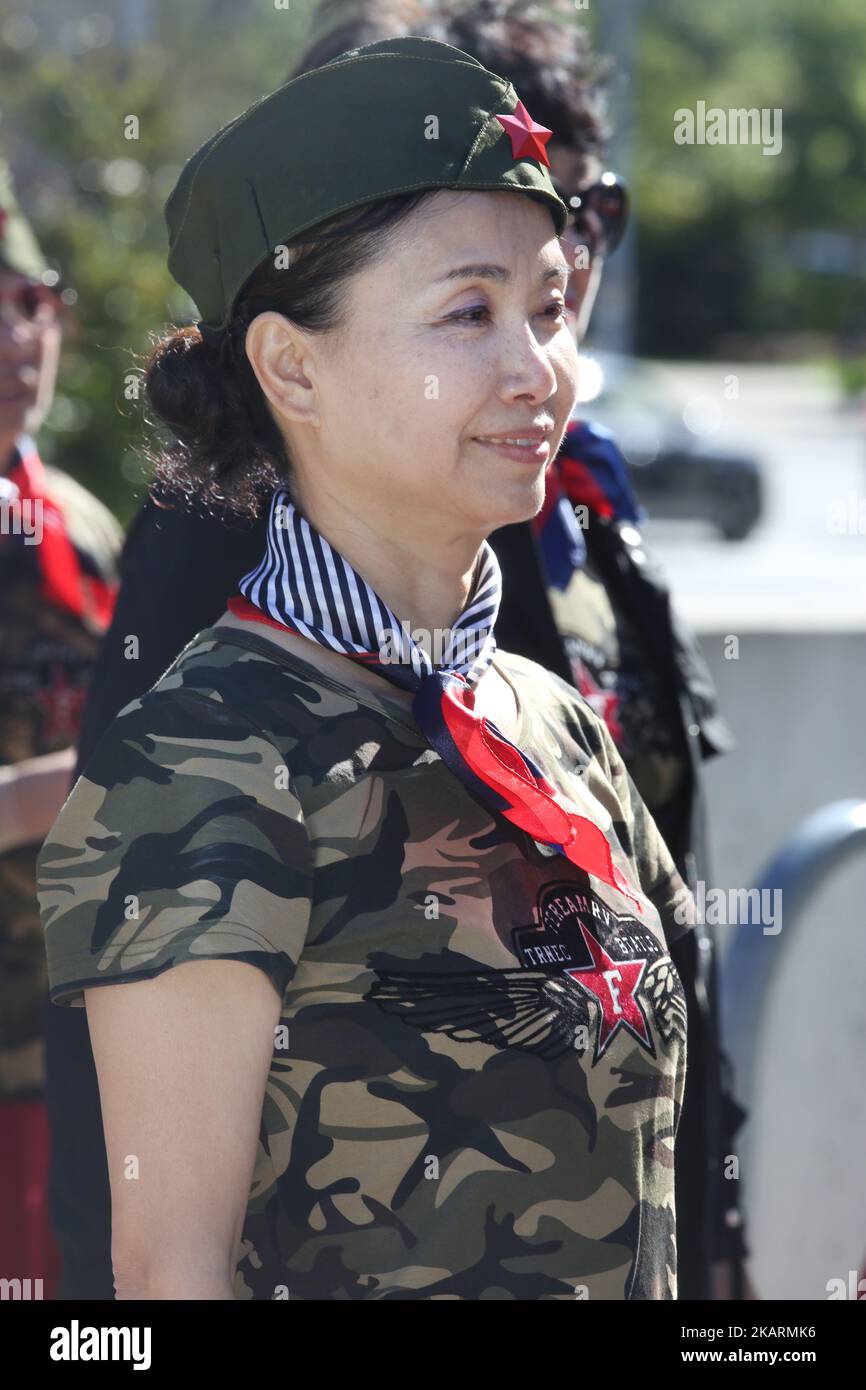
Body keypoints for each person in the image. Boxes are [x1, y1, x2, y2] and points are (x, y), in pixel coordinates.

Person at [43, 1, 750, 1302]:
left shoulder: (552, 724)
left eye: (545, 307)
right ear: (291, 368)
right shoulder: (202, 767)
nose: (538, 367)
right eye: (466, 313)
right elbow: (161, 1277)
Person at [0, 155, 121, 1296]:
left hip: (69, 1044)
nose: (17, 338)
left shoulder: (80, 529)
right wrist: (84, 780)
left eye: (33, 302)